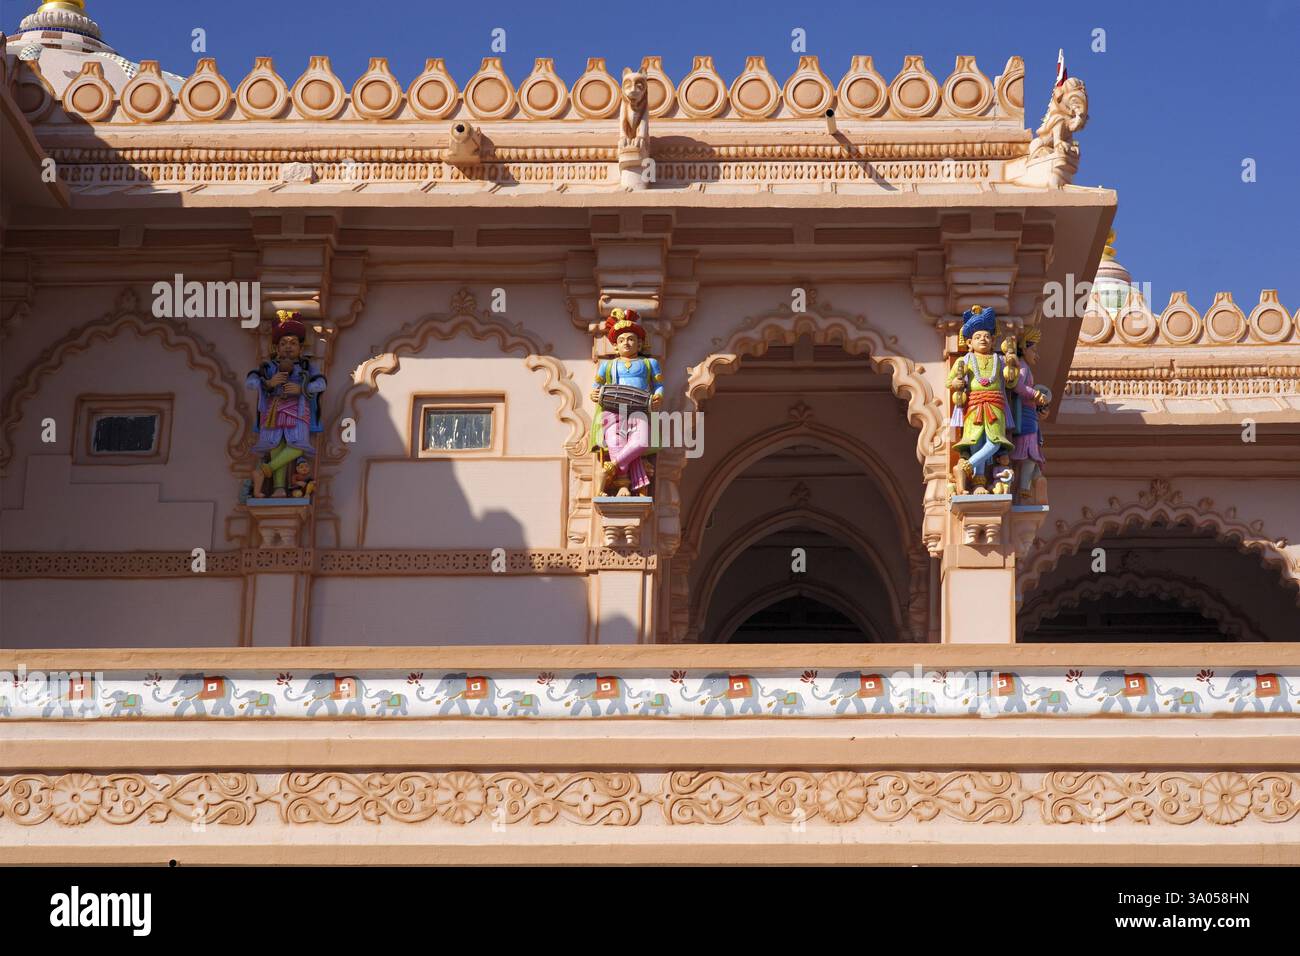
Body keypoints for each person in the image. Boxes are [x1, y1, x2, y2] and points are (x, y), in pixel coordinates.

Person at [246, 312, 326, 498]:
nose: (288, 347)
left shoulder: (306, 367)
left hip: (297, 410)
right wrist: (269, 383)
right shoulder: (268, 368)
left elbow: (321, 384)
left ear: (300, 347)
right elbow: (250, 382)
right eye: (283, 343)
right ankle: (279, 488)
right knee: (276, 445)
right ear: (276, 348)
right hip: (273, 410)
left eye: (292, 343)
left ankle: (265, 470)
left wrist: (301, 388)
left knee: (298, 444)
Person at [589, 308, 663, 496]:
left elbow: (658, 385)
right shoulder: (608, 365)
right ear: (616, 346)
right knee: (616, 443)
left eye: (631, 339)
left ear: (639, 344)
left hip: (640, 408)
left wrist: (658, 397)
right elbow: (596, 386)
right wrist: (595, 395)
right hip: (613, 409)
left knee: (642, 441)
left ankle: (610, 468)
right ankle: (623, 485)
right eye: (621, 340)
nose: (626, 343)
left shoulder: (649, 363)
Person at [946, 305, 1018, 494]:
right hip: (974, 405)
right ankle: (978, 484)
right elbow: (950, 382)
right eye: (978, 337)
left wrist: (1011, 371)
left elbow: (1010, 383)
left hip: (995, 406)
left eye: (986, 336)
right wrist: (957, 381)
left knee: (994, 441)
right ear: (969, 343)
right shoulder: (966, 361)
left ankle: (965, 467)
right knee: (977, 442)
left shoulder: (999, 360)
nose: (983, 340)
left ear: (993, 340)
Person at [1009, 326, 1051, 502]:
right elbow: (1017, 386)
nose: (1036, 355)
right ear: (1024, 347)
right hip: (1025, 416)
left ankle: (1037, 481)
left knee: (1034, 454)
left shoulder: (1026, 367)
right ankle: (1025, 487)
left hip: (1030, 415)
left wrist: (1040, 406)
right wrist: (1035, 395)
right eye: (1033, 349)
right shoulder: (1023, 367)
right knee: (1029, 453)